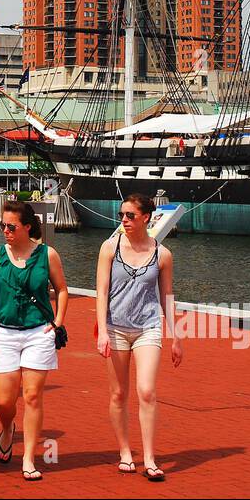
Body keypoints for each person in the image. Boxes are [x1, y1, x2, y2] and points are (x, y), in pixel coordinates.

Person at [0, 199, 69, 483]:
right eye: (2, 225)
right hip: (3, 332)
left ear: (27, 227)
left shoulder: (47, 254)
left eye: (11, 226)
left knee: (31, 396)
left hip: (37, 332)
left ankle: (28, 458)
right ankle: (7, 428)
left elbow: (62, 289)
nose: (5, 230)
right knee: (4, 401)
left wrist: (57, 323)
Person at [96, 192, 183, 482]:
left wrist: (176, 337)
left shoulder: (163, 254)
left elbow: (167, 296)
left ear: (146, 217)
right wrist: (101, 331)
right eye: (121, 215)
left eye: (130, 215)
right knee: (119, 393)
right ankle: (124, 451)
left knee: (146, 390)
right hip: (116, 327)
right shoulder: (109, 248)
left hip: (148, 327)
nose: (124, 220)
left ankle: (149, 457)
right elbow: (102, 292)